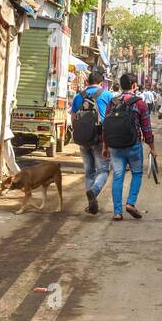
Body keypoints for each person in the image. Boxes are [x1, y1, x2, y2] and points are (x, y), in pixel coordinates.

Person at [102, 73, 156, 222]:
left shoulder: (112, 102)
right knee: (137, 174)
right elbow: (147, 129)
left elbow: (106, 127)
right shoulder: (140, 103)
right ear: (133, 86)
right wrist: (152, 148)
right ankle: (130, 203)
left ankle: (117, 212)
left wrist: (105, 146)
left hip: (115, 146)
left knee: (118, 176)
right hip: (134, 144)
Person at [70, 70, 113, 214]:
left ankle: (91, 203)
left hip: (83, 138)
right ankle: (94, 192)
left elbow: (73, 117)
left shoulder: (78, 96)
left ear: (87, 82)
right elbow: (113, 118)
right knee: (103, 170)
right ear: (101, 83)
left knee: (89, 172)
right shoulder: (107, 95)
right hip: (101, 138)